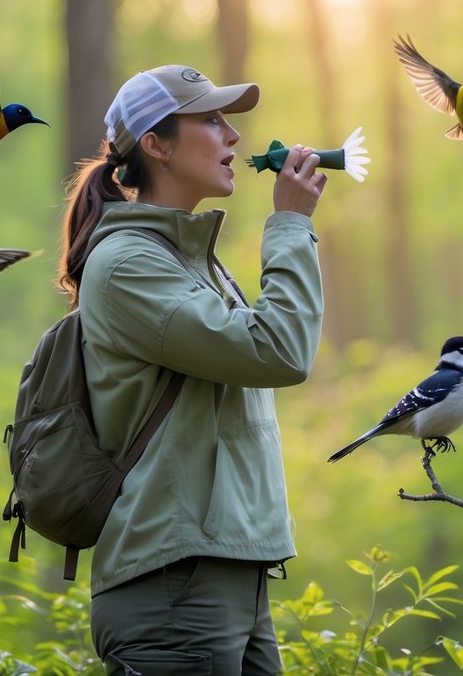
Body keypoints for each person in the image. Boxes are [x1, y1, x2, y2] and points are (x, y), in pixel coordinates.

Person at [58, 65, 328, 675]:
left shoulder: (190, 264)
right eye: (210, 119)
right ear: (156, 143)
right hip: (174, 591)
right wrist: (290, 223)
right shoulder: (127, 265)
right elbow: (280, 350)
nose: (233, 135)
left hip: (229, 578)